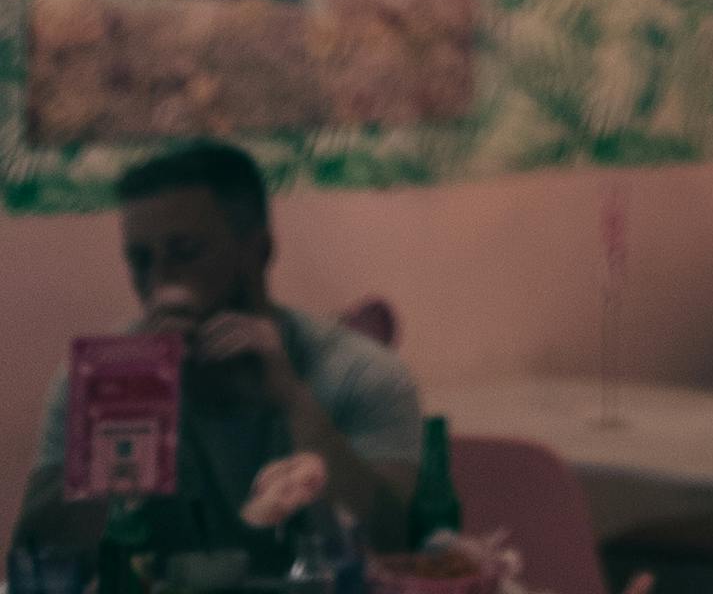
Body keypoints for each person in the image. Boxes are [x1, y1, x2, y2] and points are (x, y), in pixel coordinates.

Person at [16, 139, 423, 555]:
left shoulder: (360, 374)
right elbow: (35, 557)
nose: (160, 285)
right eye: (141, 260)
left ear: (258, 252)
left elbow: (399, 540)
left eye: (185, 252)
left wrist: (294, 402)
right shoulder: (98, 380)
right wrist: (126, 411)